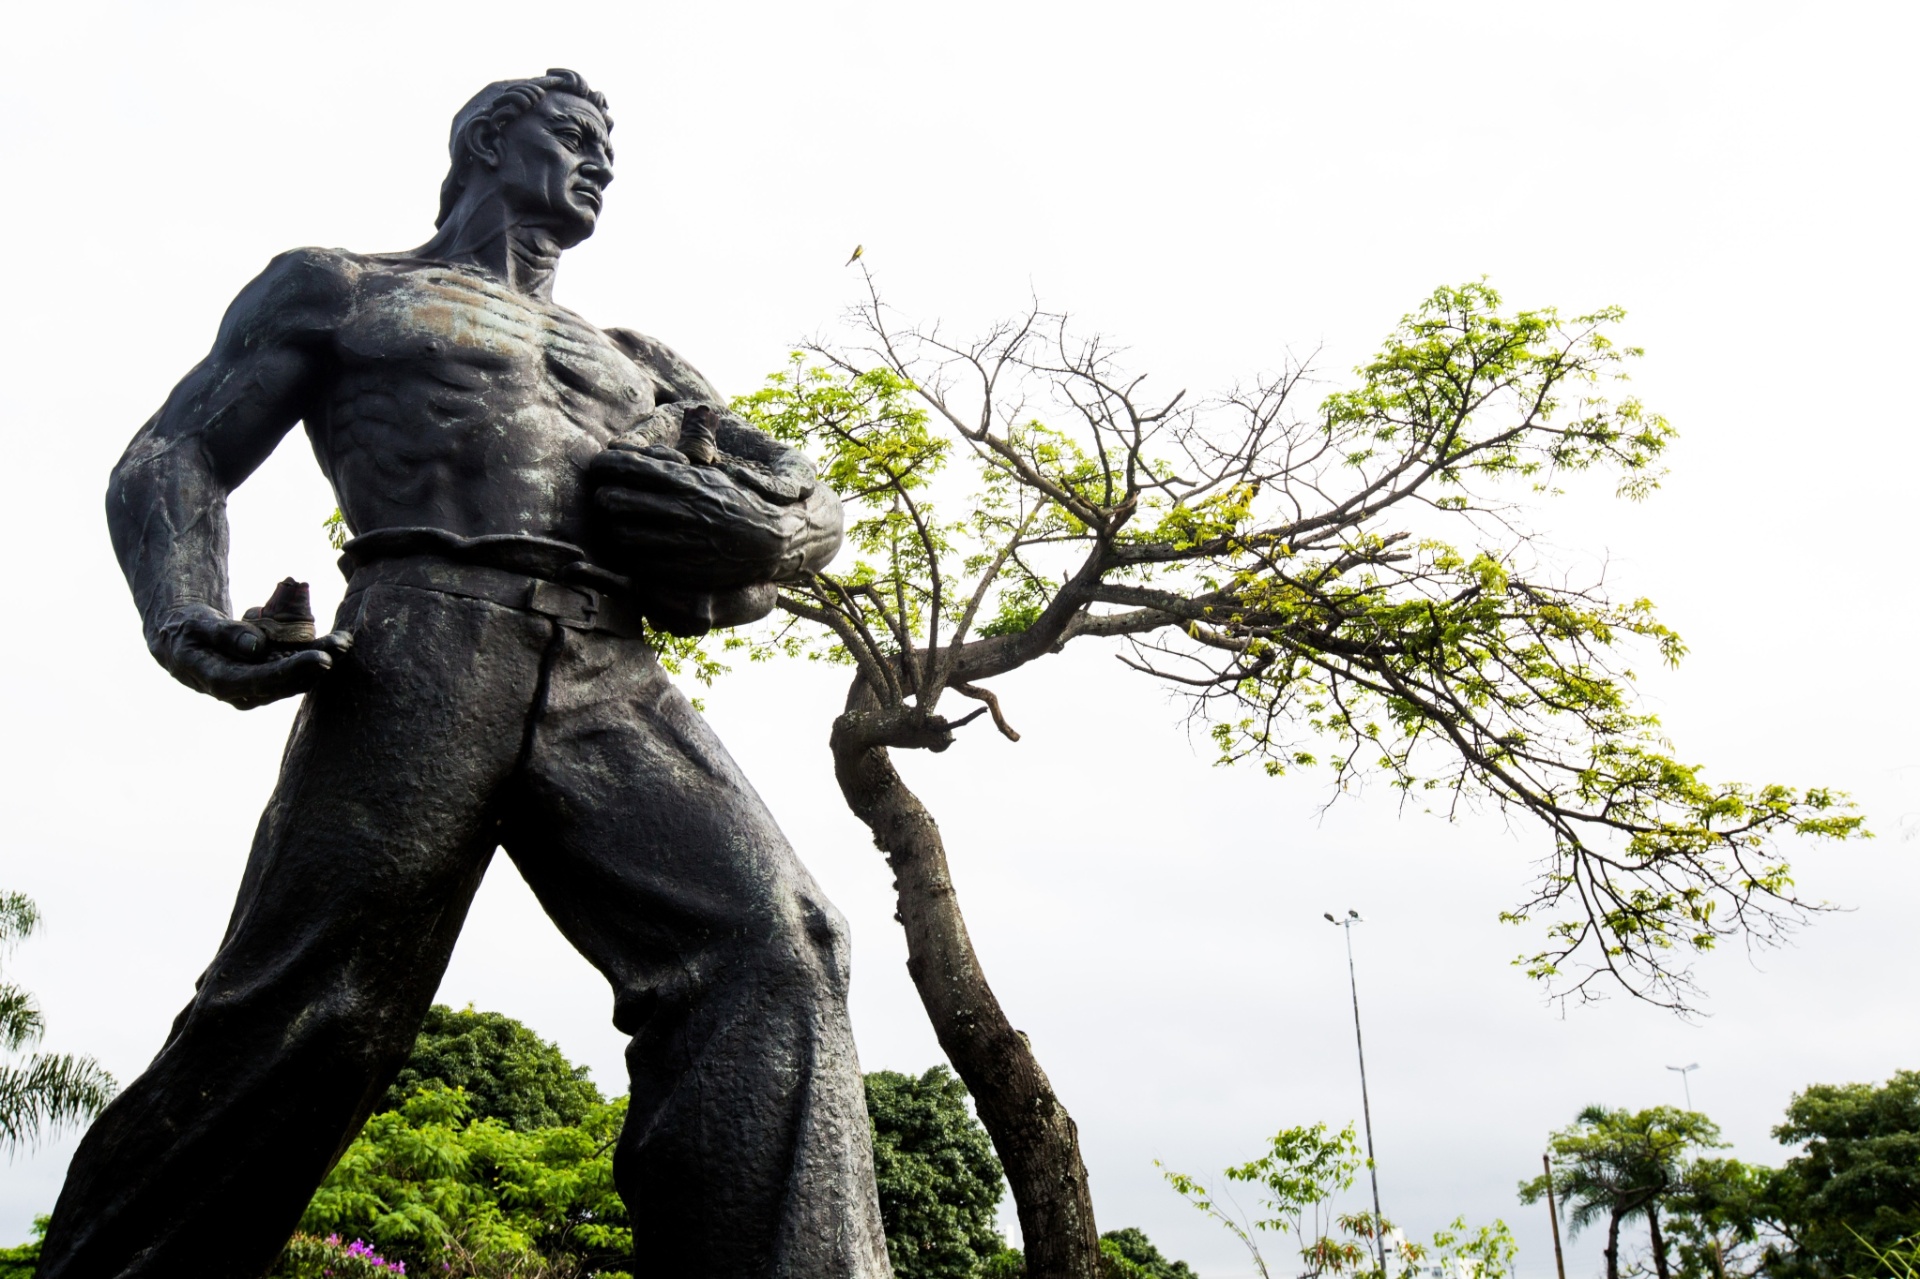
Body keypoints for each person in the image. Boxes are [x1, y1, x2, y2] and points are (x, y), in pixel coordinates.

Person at [37, 69, 891, 1279]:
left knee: (781, 944)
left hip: (613, 670)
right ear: (491, 138)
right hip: (421, 638)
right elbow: (175, 451)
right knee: (313, 1017)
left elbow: (778, 526)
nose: (601, 166)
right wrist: (181, 612)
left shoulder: (640, 362)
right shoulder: (347, 289)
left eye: (611, 150)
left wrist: (783, 534)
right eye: (578, 138)